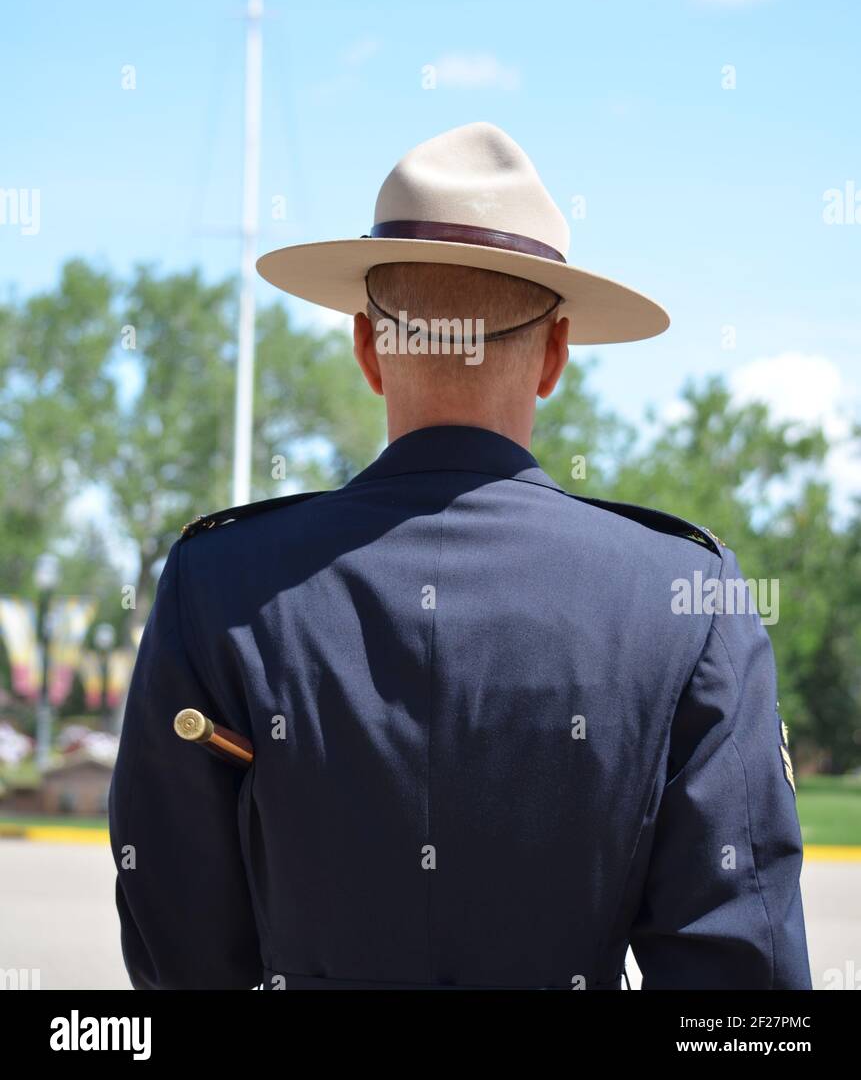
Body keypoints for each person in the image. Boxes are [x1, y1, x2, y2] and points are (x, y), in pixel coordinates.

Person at [109, 121, 810, 990]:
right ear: (556, 355)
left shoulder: (217, 584)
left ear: (367, 347)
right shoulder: (686, 595)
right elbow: (743, 983)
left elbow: (178, 947)